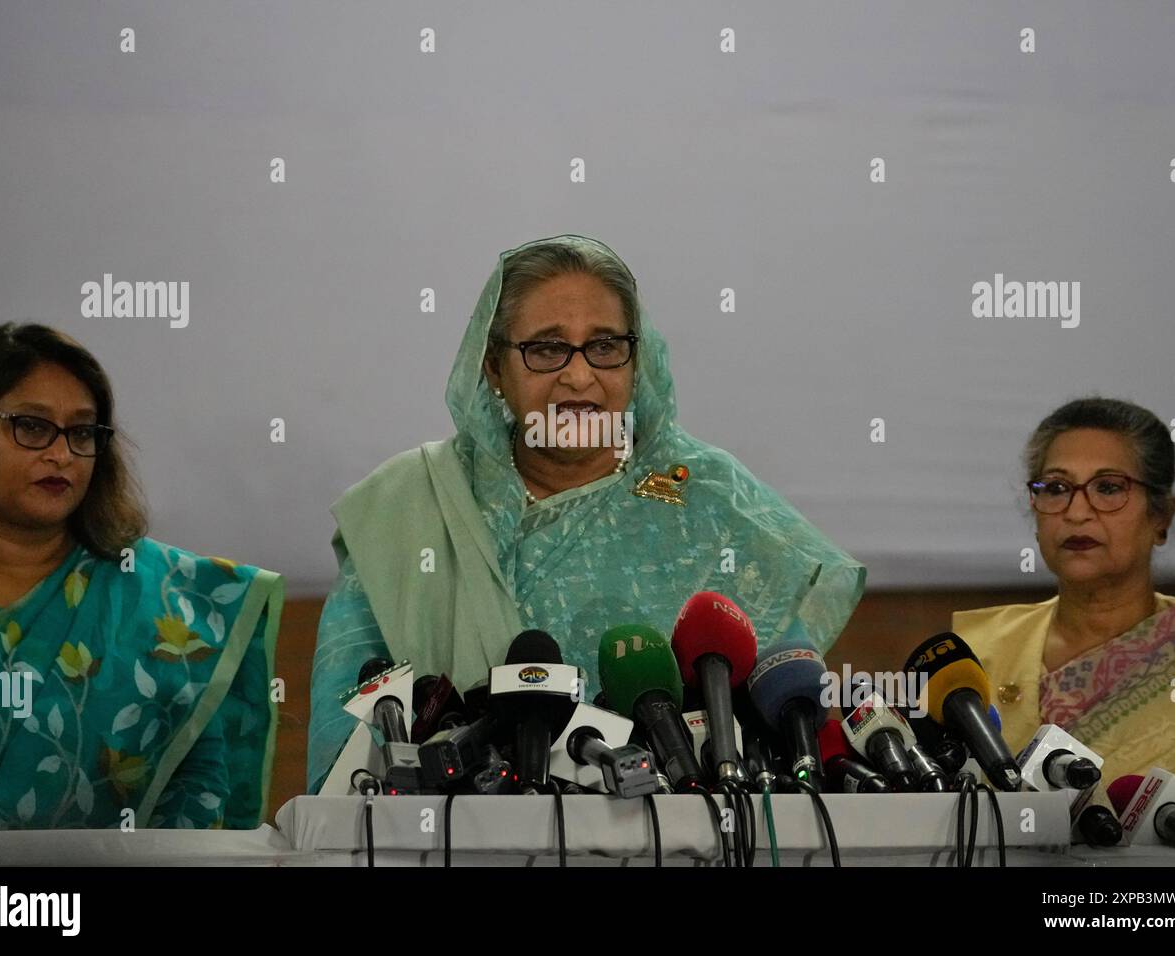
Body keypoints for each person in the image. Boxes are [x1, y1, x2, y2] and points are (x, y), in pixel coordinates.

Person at [308, 234, 864, 793]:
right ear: (495, 367)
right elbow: (346, 753)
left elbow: (782, 706)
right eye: (547, 349)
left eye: (604, 346)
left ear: (636, 359)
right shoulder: (408, 506)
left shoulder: (711, 500)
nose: (578, 376)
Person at [0, 323, 283, 830]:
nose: (61, 454)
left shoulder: (162, 597)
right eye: (31, 426)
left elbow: (197, 785)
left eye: (82, 432)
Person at [953, 397, 1175, 793]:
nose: (1077, 512)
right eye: (1056, 488)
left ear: (1161, 516)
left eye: (1109, 487)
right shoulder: (973, 656)